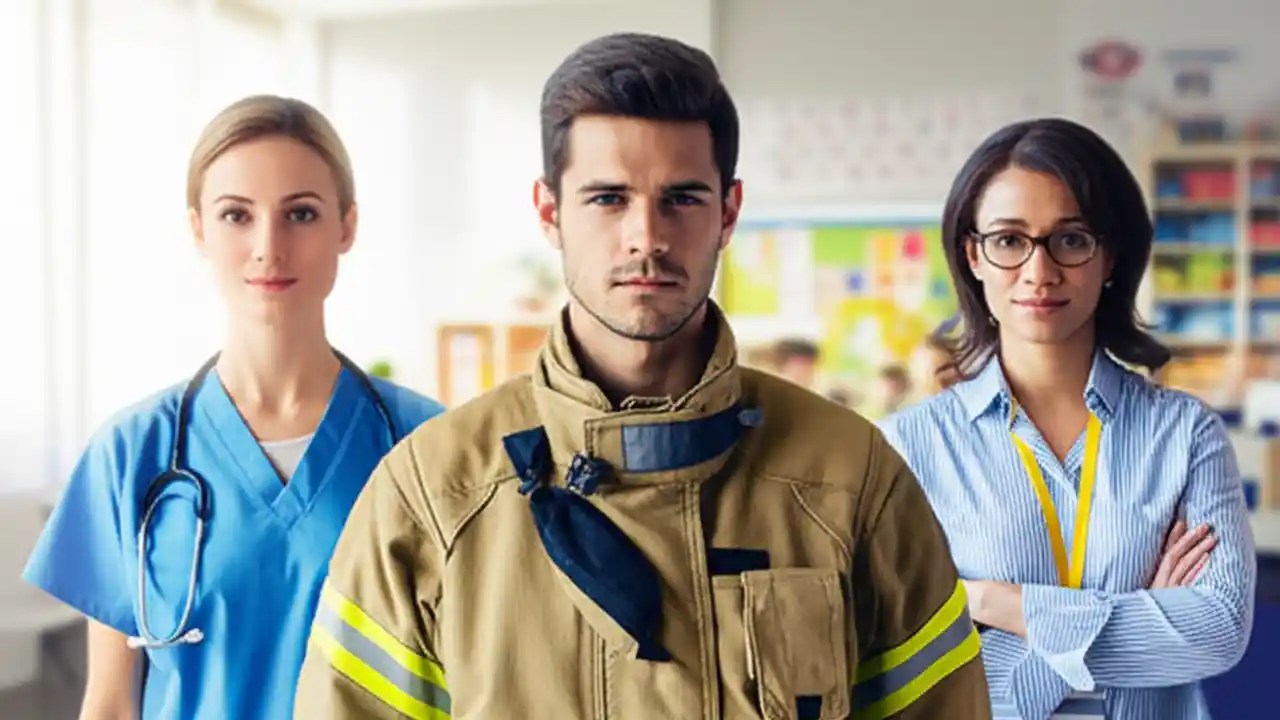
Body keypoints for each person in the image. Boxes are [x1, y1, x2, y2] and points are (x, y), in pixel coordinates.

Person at [294, 32, 991, 720]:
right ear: (549, 211)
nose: (647, 237)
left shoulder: (849, 476)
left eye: (681, 198)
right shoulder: (431, 495)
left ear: (729, 211)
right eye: (608, 198)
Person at [22, 94, 445, 719]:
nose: (268, 246)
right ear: (199, 229)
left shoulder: (425, 445)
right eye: (236, 215)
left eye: (300, 213)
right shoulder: (132, 452)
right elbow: (110, 703)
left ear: (346, 226)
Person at [880, 118, 1256, 719]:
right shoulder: (908, 446)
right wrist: (1144, 615)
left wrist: (991, 603)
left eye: (1071, 239)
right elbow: (912, 672)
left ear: (1109, 257)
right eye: (1009, 240)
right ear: (973, 255)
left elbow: (1217, 629)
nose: (1039, 271)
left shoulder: (1185, 434)